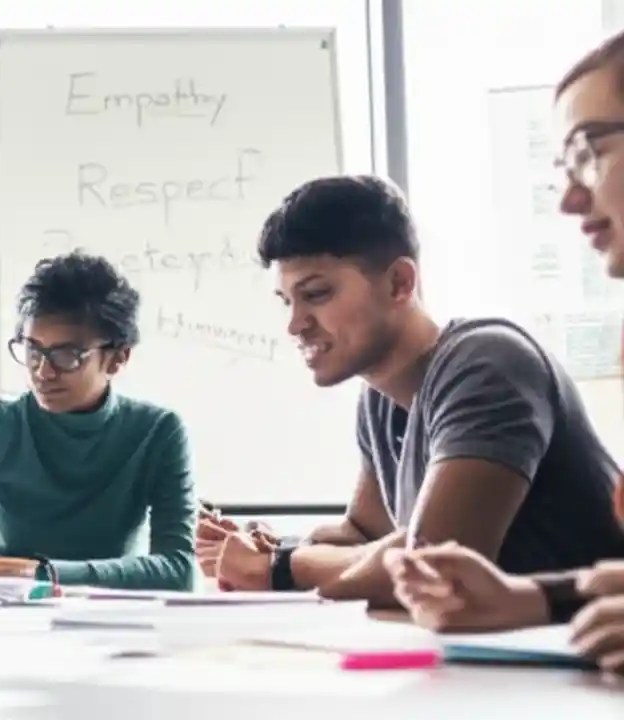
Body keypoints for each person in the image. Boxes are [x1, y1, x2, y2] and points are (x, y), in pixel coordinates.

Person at [197, 175, 624, 606]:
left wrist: (278, 568)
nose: (295, 324)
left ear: (400, 282)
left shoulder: (488, 363)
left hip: (591, 654)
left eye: (316, 294)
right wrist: (273, 547)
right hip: (509, 658)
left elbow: (429, 565)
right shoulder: (380, 395)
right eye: (286, 301)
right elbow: (361, 536)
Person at [388, 29, 624, 674]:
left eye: (587, 153)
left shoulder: (487, 357)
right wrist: (527, 600)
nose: (570, 198)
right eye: (562, 168)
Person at [0, 251, 197, 590]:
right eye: (33, 350)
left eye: (67, 356)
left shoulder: (158, 432)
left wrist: (37, 574)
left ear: (117, 359)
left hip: (108, 615)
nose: (42, 372)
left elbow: (179, 570)